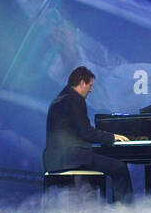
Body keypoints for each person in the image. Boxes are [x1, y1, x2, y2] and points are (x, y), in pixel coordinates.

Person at [42, 66, 133, 203]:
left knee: (97, 165)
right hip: (72, 158)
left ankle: (93, 212)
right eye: (90, 85)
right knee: (119, 167)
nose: (91, 90)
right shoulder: (75, 99)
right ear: (82, 83)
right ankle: (126, 212)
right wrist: (112, 137)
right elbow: (86, 132)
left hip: (52, 160)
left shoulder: (58, 99)